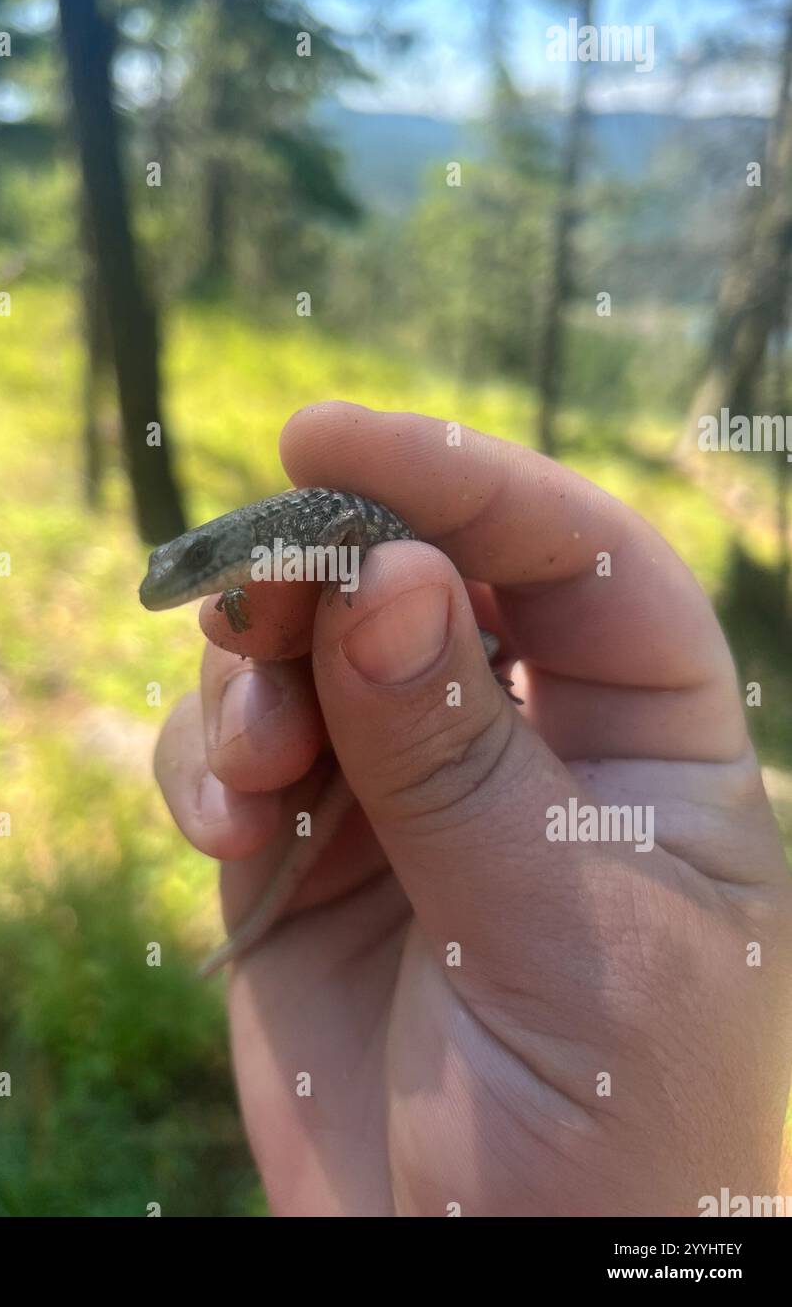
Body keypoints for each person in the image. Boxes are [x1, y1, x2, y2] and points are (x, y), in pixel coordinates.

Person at [154, 401, 792, 1217]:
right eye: (171, 566)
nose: (168, 586)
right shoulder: (257, 550)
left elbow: (350, 523)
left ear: (222, 549)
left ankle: (474, 665)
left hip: (431, 602)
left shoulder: (283, 536)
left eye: (193, 565)